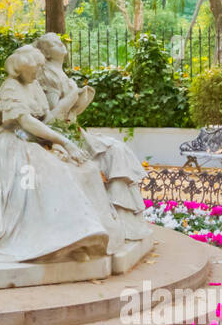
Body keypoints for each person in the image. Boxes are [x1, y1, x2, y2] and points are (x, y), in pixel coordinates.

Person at [0, 45, 138, 265]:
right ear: (22, 68)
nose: (40, 72)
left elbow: (47, 119)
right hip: (14, 144)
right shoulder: (11, 87)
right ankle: (60, 242)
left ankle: (81, 239)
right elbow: (27, 122)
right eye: (36, 67)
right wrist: (63, 141)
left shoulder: (34, 85)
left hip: (39, 142)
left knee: (84, 171)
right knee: (49, 176)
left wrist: (69, 109)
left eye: (41, 67)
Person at [31, 32, 150, 227]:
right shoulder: (47, 76)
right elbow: (53, 117)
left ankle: (119, 215)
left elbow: (70, 113)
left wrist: (80, 99)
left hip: (72, 131)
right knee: (115, 152)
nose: (61, 44)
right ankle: (115, 215)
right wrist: (72, 96)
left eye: (61, 41)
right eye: (54, 43)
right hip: (60, 136)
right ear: (46, 54)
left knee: (117, 151)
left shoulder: (60, 73)